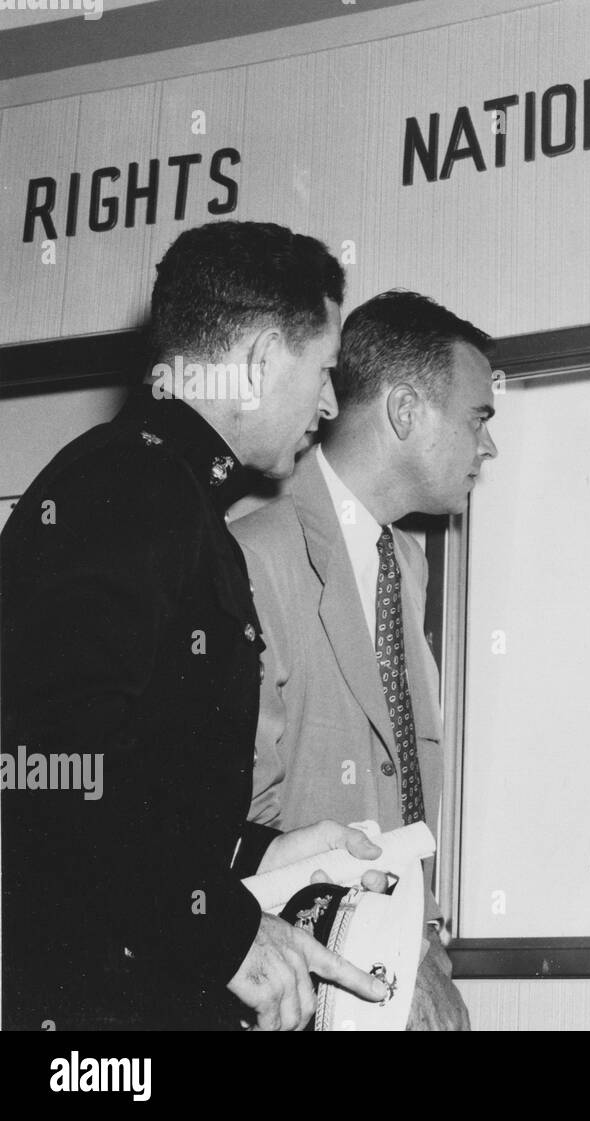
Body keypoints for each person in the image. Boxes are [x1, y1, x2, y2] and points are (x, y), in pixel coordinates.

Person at [1, 220, 393, 1031]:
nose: (327, 402)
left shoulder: (169, 494)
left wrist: (253, 855)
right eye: (321, 371)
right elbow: (42, 766)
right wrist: (219, 931)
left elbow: (132, 789)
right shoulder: (134, 487)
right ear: (255, 364)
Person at [231, 289, 498, 1031]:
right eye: (480, 418)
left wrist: (420, 944)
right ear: (407, 410)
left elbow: (401, 785)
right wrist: (387, 957)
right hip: (301, 986)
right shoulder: (254, 556)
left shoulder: (405, 566)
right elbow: (229, 824)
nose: (489, 446)